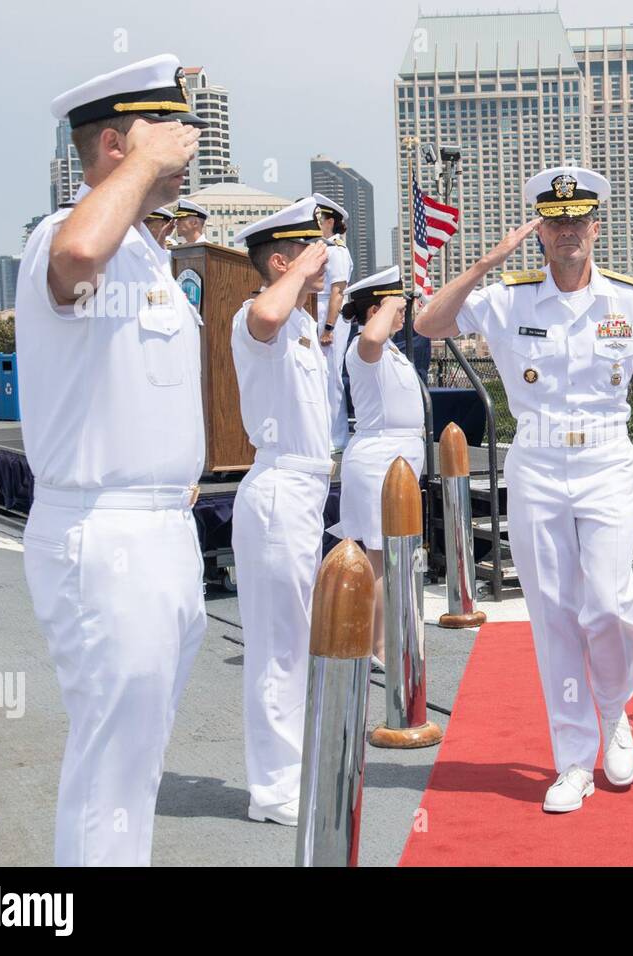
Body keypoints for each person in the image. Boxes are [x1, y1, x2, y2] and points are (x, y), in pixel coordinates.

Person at [414, 166, 633, 813]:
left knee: (610, 601)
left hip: (606, 459)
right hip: (535, 461)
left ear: (596, 224)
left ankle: (614, 711)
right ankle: (571, 761)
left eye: (578, 219)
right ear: (540, 232)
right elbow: (428, 322)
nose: (568, 231)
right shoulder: (510, 298)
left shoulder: (627, 299)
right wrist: (486, 261)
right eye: (554, 221)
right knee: (554, 613)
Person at [16, 53, 207, 866]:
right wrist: (145, 167)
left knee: (135, 761)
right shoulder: (60, 238)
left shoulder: (147, 255)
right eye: (166, 134)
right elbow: (74, 260)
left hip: (167, 532)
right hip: (104, 537)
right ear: (115, 147)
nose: (186, 149)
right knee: (110, 761)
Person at [230, 198, 333, 827]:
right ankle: (272, 790)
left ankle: (290, 771)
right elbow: (266, 310)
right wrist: (299, 275)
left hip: (304, 492)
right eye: (309, 250)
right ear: (279, 260)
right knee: (277, 646)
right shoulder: (258, 314)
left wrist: (310, 281)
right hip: (276, 493)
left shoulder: (298, 323)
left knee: (296, 643)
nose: (322, 258)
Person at [330, 265, 420, 670]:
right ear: (376, 310)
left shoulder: (392, 351)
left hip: (397, 459)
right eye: (398, 306)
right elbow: (371, 335)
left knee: (392, 555)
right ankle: (377, 646)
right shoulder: (363, 349)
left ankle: (387, 639)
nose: (405, 313)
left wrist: (394, 303)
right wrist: (391, 305)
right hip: (378, 460)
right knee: (379, 557)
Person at [313, 192, 354, 450]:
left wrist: (328, 327)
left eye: (319, 217)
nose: (315, 222)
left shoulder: (337, 251)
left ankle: (336, 437)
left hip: (330, 316)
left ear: (330, 221)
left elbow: (338, 292)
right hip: (316, 311)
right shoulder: (321, 248)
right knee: (319, 376)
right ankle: (322, 434)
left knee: (331, 378)